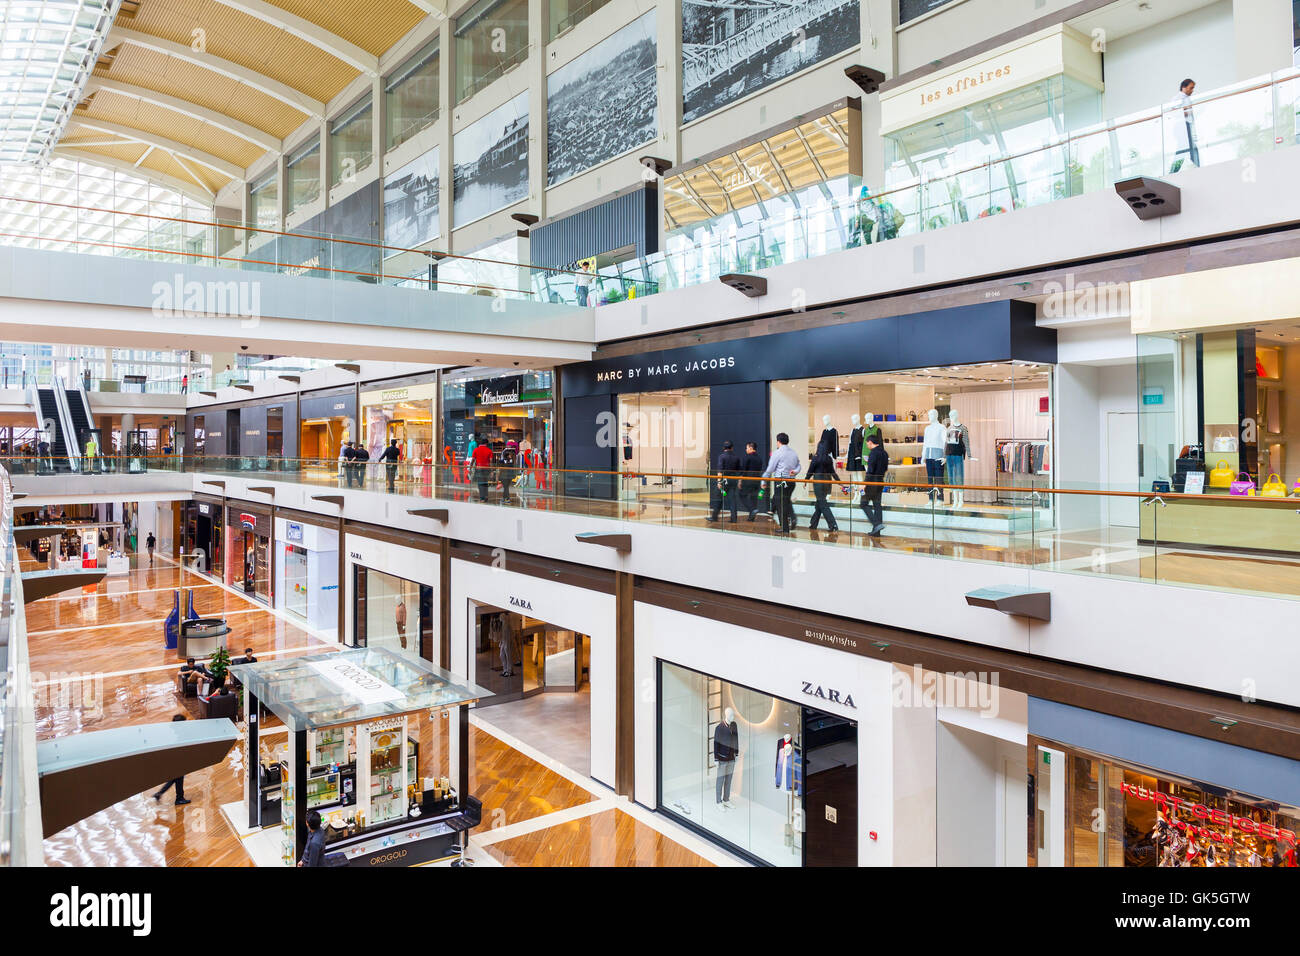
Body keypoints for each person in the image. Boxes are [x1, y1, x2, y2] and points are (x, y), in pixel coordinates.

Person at [761, 433, 801, 534]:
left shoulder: (777, 453)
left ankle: (785, 528)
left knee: (780, 504)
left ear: (778, 442)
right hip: (791, 481)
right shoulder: (793, 453)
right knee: (786, 501)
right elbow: (799, 466)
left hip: (780, 481)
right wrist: (795, 471)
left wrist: (764, 480)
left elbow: (770, 469)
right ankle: (792, 518)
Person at [152, 715, 192, 805]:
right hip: (178, 759)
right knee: (178, 777)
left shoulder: (176, 731)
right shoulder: (181, 733)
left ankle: (161, 794)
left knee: (176, 778)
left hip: (175, 758)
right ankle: (179, 798)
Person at [805, 440, 840, 532]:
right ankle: (813, 523)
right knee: (820, 503)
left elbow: (810, 471)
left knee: (823, 504)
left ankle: (833, 525)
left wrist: (805, 480)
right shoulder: (828, 459)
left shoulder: (815, 458)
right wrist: (839, 481)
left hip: (818, 482)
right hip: (827, 482)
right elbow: (833, 472)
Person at [860, 434, 889, 537]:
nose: (867, 445)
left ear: (870, 442)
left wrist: (864, 484)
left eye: (867, 443)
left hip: (872, 482)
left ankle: (876, 524)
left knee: (863, 503)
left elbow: (870, 471)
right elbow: (885, 468)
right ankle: (877, 532)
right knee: (877, 505)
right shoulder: (884, 453)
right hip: (880, 481)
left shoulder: (873, 453)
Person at [708, 440, 742, 522]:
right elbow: (740, 471)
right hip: (733, 480)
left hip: (724, 481)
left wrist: (719, 482)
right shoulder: (736, 457)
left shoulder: (722, 457)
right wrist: (739, 481)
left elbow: (720, 470)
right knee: (732, 500)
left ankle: (714, 517)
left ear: (724, 448)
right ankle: (734, 518)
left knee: (718, 498)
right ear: (732, 448)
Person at [1170, 78, 1199, 171]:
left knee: (1190, 148)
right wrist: (1187, 110)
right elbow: (1174, 113)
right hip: (1181, 126)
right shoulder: (1177, 98)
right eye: (1191, 88)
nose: (1192, 90)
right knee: (1183, 149)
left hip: (1187, 125)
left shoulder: (1187, 99)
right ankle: (1174, 171)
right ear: (1184, 87)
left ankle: (1197, 166)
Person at [739, 441, 763, 520]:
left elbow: (744, 470)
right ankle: (751, 517)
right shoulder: (759, 458)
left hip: (748, 479)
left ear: (751, 448)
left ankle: (752, 509)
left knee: (742, 495)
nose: (746, 449)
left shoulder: (747, 457)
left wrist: (740, 480)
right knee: (754, 498)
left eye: (747, 448)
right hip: (757, 480)